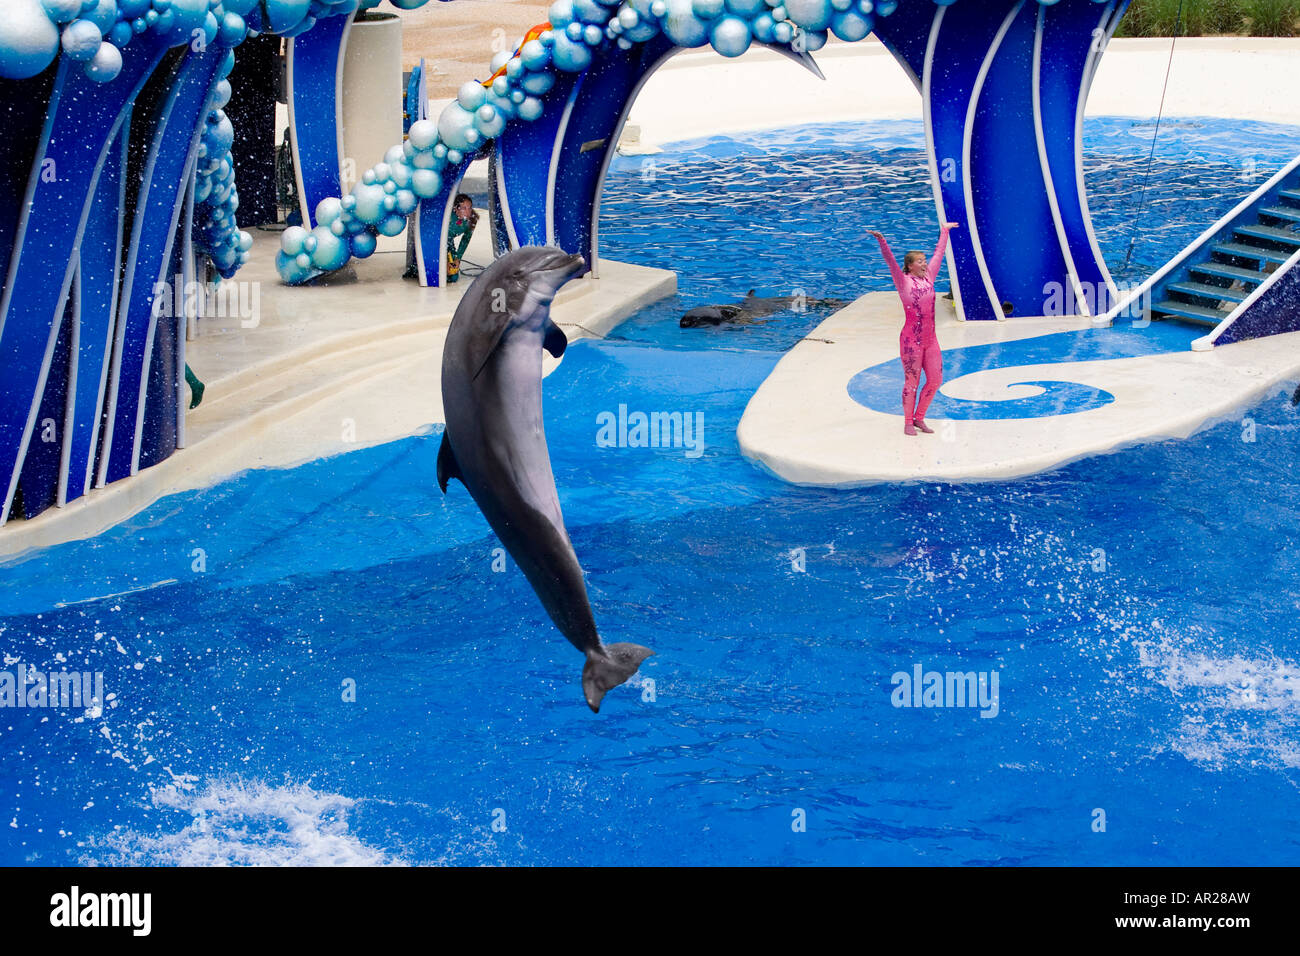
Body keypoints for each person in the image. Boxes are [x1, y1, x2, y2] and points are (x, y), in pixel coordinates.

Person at [868, 222, 958, 436]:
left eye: (924, 260)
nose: (925, 263)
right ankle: (908, 421)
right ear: (910, 266)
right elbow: (890, 262)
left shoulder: (929, 277)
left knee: (936, 380)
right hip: (911, 342)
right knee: (912, 381)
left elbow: (939, 254)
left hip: (931, 339)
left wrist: (944, 231)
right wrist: (882, 241)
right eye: (920, 261)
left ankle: (919, 418)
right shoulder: (903, 282)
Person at [446, 193, 479, 283]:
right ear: (455, 209)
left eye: (469, 208)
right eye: (464, 208)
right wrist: (444, 261)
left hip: (449, 243)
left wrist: (457, 259)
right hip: (436, 243)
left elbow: (465, 240)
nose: (468, 212)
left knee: (453, 277)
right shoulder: (447, 217)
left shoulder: (472, 220)